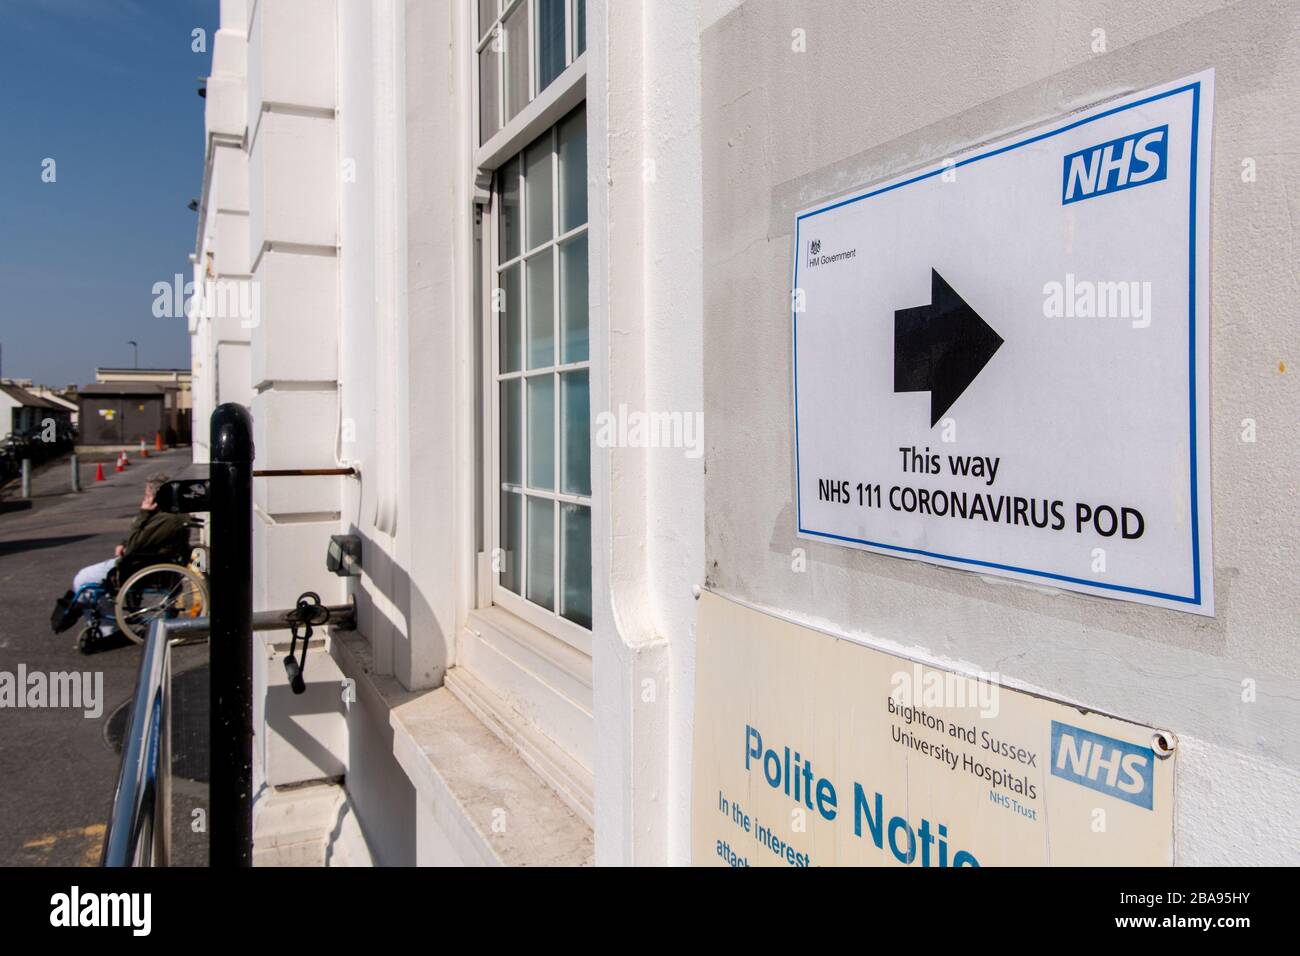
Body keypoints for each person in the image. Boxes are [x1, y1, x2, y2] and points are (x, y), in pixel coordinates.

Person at [71, 472, 191, 594]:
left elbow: (134, 545)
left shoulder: (166, 519)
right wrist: (124, 543)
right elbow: (146, 537)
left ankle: (98, 612)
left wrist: (143, 514)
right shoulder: (169, 514)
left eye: (147, 496)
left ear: (155, 498)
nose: (144, 500)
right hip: (148, 563)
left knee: (82, 578)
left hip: (139, 567)